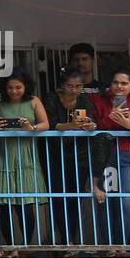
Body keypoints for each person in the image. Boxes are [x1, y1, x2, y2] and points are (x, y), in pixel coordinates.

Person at [89, 63, 130, 247]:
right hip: (106, 156)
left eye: (124, 83)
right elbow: (97, 124)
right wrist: (112, 118)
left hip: (127, 156)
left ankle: (122, 246)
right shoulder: (100, 100)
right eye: (115, 82)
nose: (119, 86)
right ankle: (109, 247)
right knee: (106, 200)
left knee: (127, 201)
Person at [0, 71, 50, 251]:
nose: (14, 91)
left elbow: (45, 124)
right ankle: (9, 246)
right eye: (10, 87)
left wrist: (30, 128)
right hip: (4, 157)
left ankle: (23, 246)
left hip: (26, 157)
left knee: (26, 205)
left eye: (18, 87)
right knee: (3, 206)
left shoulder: (33, 101)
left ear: (25, 87)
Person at [44, 69, 99, 247]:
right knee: (59, 197)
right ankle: (63, 240)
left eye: (78, 86)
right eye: (70, 86)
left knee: (76, 197)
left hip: (79, 155)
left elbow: (92, 121)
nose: (74, 90)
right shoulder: (51, 99)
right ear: (62, 85)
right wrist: (71, 126)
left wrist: (91, 125)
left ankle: (73, 242)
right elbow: (50, 124)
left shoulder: (84, 100)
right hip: (54, 154)